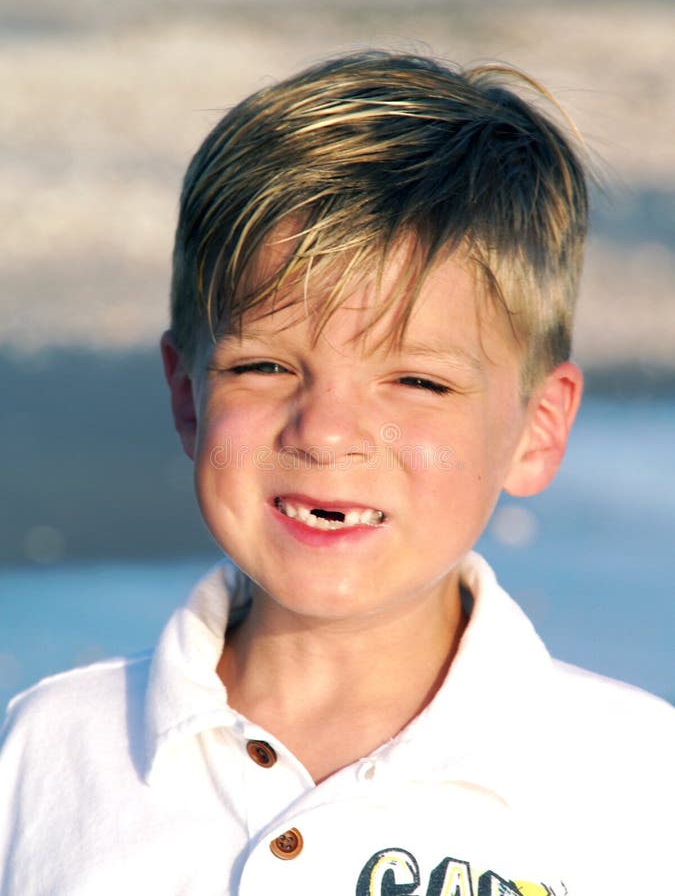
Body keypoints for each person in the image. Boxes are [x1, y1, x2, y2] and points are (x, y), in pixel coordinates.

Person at [1, 51, 673, 896]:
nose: (325, 433)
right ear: (186, 396)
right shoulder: (53, 749)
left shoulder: (640, 784)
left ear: (537, 429)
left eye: (418, 382)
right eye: (264, 368)